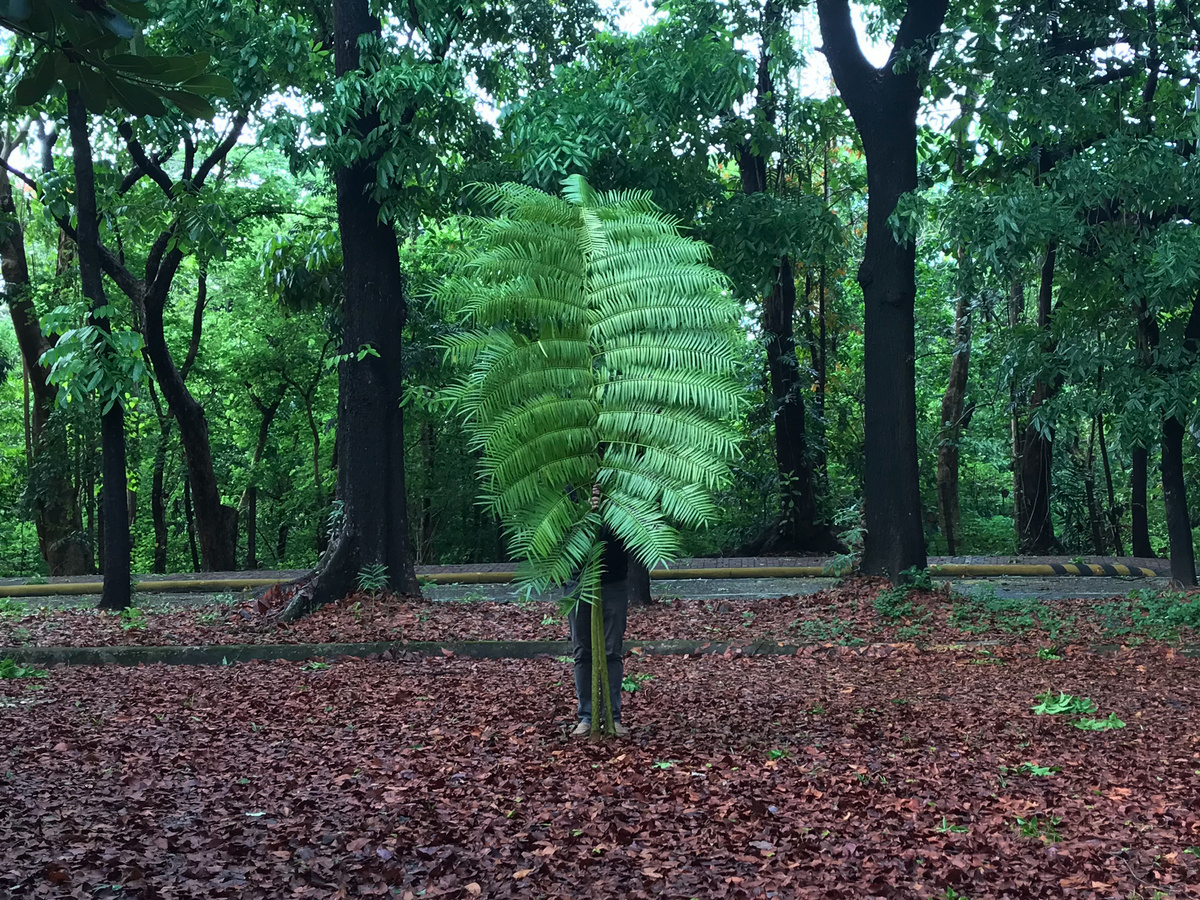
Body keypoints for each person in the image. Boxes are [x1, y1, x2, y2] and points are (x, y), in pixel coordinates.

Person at [568, 485, 630, 737]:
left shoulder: (621, 483)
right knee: (583, 651)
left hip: (613, 579)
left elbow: (631, 531)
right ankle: (586, 716)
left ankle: (612, 717)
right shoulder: (569, 485)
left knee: (612, 650)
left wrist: (606, 510)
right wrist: (586, 513)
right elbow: (560, 534)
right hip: (577, 580)